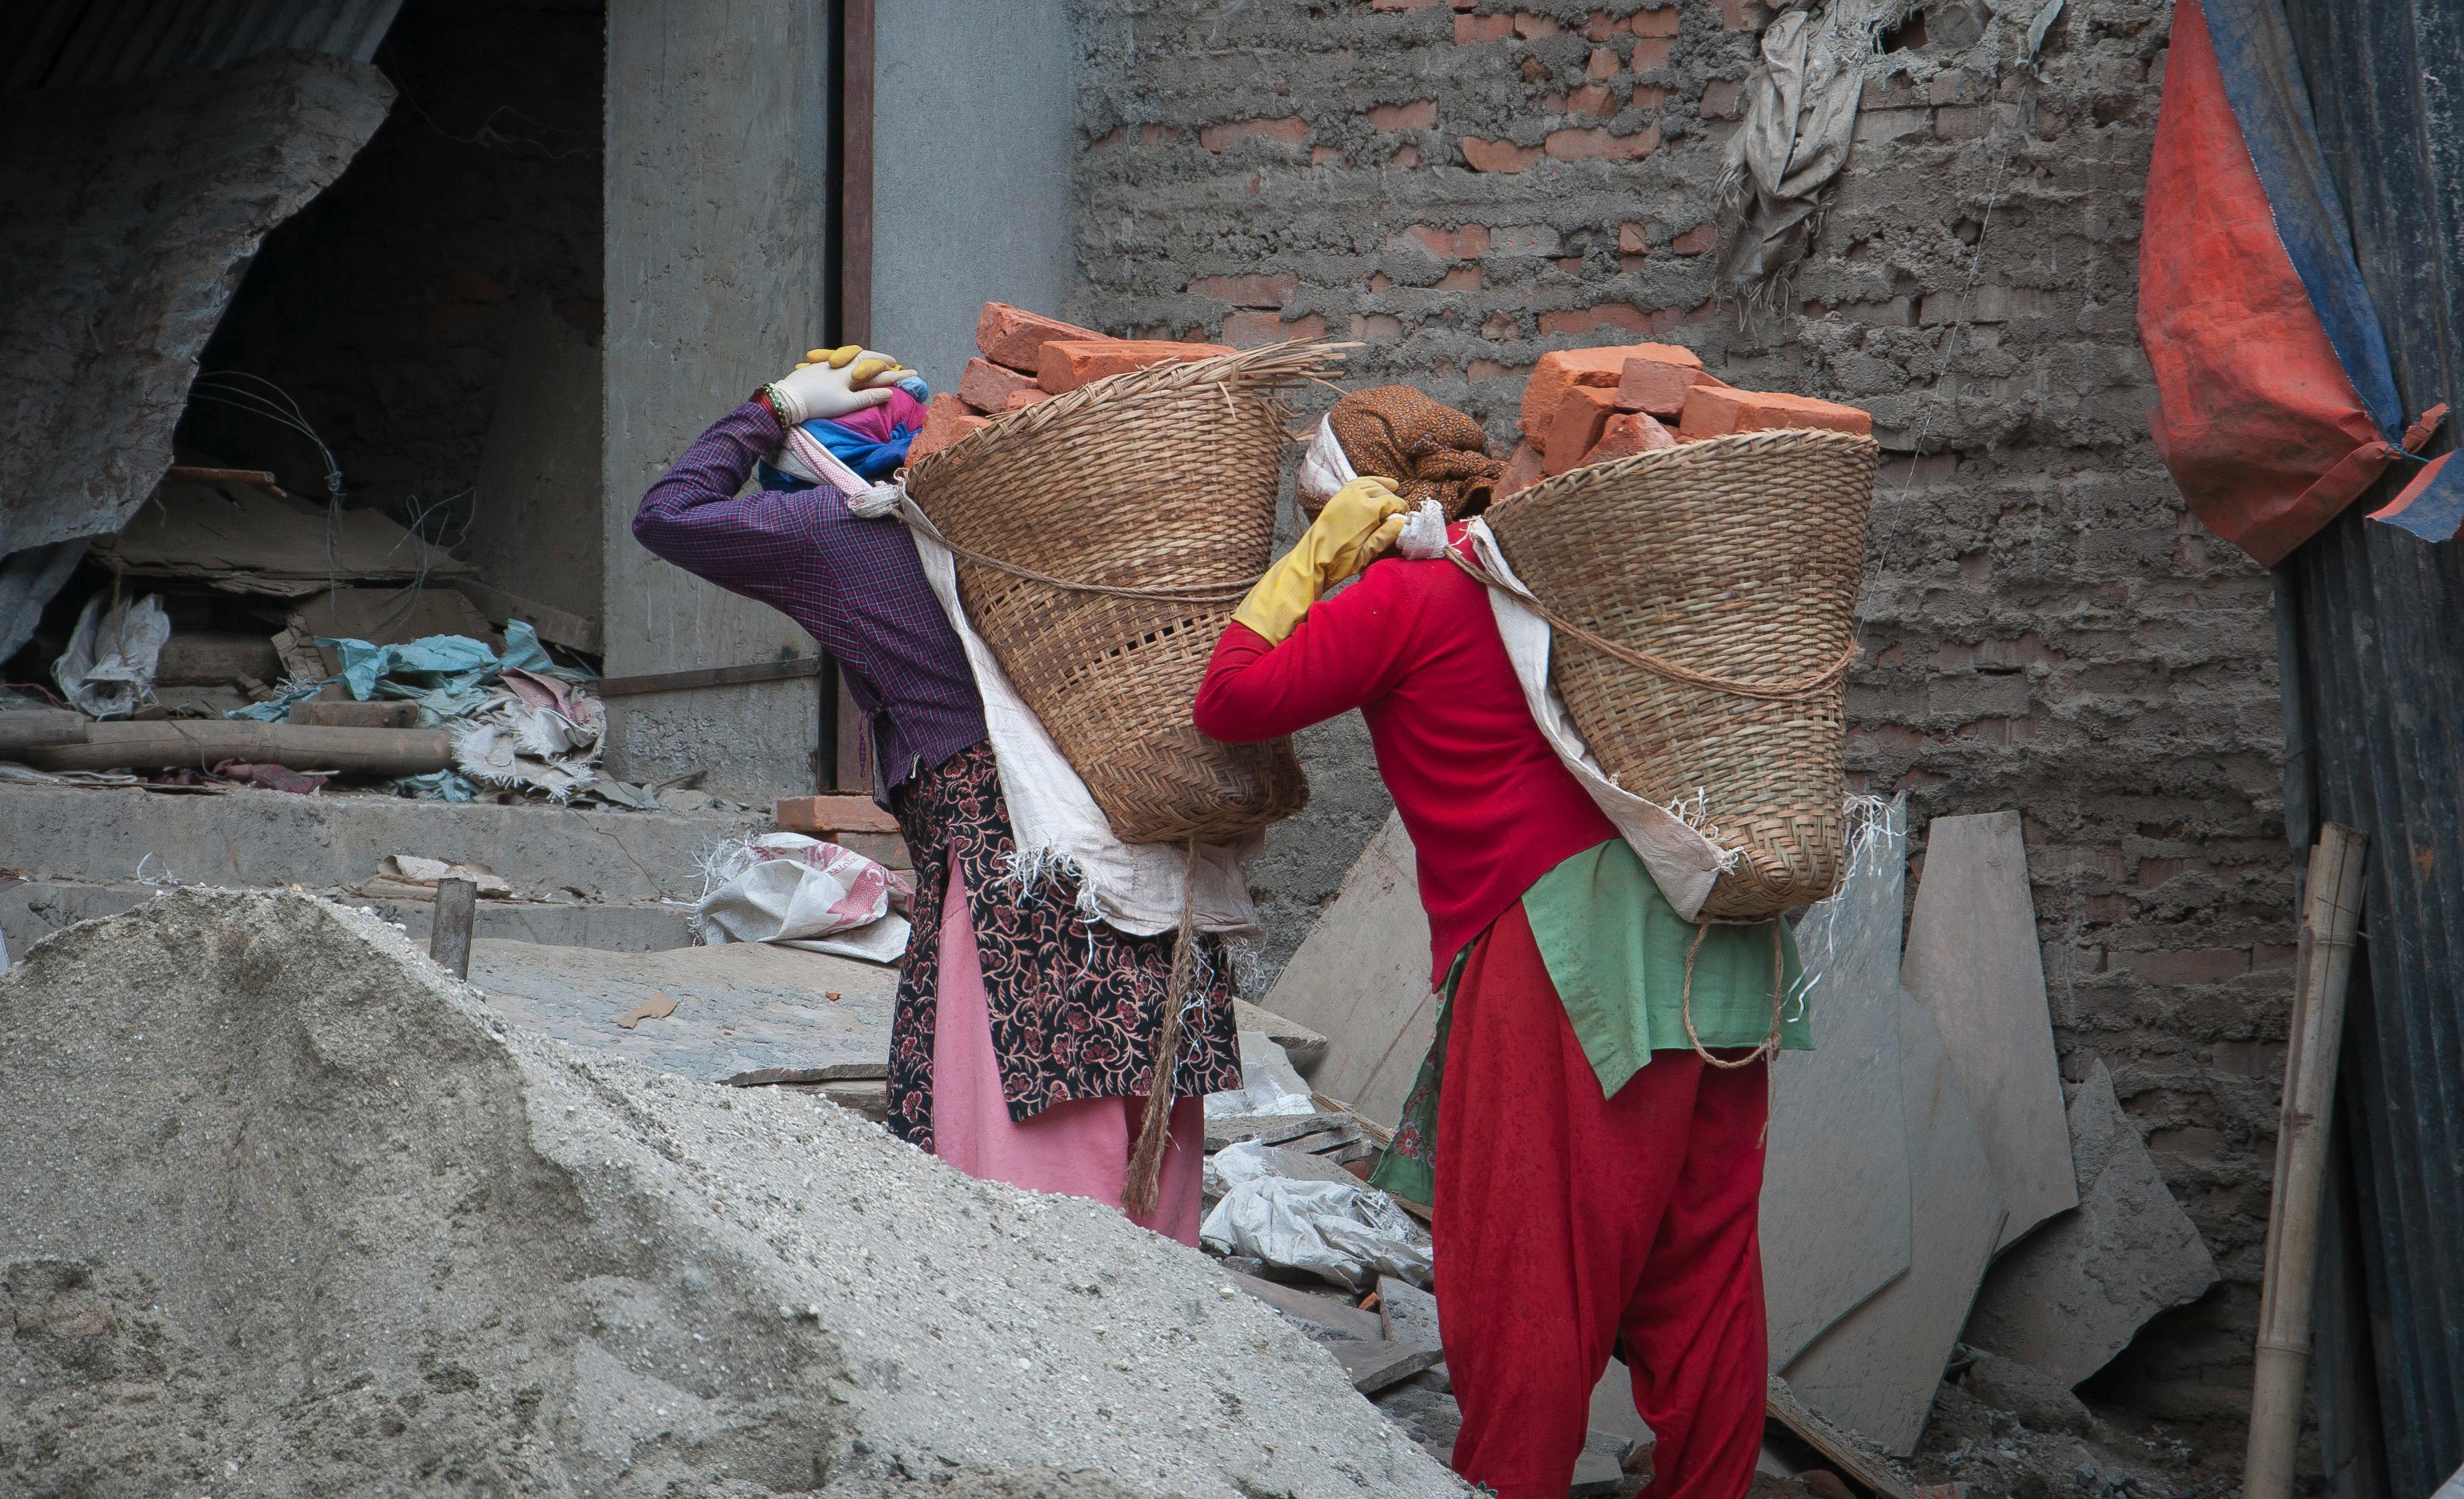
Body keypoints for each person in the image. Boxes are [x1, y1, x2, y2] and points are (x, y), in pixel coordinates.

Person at [1191, 384, 1806, 1499]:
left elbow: (1231, 698)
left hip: (1567, 951)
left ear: (1347, 502)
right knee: (1704, 1267)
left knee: (1531, 1267)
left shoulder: (1410, 595)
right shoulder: (1547, 564)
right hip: (1716, 926)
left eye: (1308, 506)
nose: (1304, 524)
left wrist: (1306, 572)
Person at [631, 343, 1239, 1238]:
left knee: (1024, 1116)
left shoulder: (829, 531)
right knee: (1138, 1092)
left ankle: (1048, 1338)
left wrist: (770, 406)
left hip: (1007, 868)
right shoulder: (1008, 523)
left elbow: (669, 514)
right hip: (1129, 835)